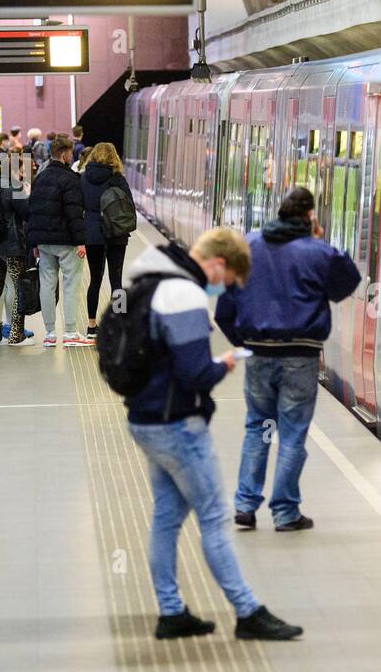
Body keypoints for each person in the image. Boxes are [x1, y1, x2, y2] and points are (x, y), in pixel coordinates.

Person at [121, 227, 302, 641]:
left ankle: (171, 612)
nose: (224, 288)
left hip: (145, 418)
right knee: (215, 517)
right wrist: (225, 364)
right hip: (178, 424)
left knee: (167, 517)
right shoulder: (183, 294)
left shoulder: (148, 279)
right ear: (218, 265)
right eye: (229, 281)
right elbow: (196, 373)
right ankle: (248, 612)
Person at [215, 186, 361, 532]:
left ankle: (245, 505)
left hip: (259, 355)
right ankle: (284, 512)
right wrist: (324, 245)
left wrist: (247, 343)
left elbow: (223, 310)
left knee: (258, 428)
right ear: (310, 217)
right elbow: (347, 284)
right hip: (300, 355)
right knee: (292, 434)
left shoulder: (248, 246)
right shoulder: (317, 251)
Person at [26, 133, 90, 348]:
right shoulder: (70, 180)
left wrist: (34, 243)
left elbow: (32, 212)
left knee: (47, 284)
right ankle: (70, 332)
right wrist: (81, 242)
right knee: (71, 284)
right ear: (64, 154)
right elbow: (74, 213)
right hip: (66, 242)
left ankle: (51, 333)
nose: (72, 157)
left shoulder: (40, 177)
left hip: (44, 243)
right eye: (71, 153)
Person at [80, 142, 134, 337]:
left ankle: (92, 326)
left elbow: (79, 206)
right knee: (117, 280)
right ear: (114, 157)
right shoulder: (118, 178)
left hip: (92, 234)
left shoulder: (84, 178)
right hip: (116, 233)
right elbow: (129, 205)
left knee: (95, 279)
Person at [0, 168, 33, 348]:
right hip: (12, 247)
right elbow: (27, 213)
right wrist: (27, 194)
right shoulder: (13, 189)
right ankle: (15, 335)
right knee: (18, 289)